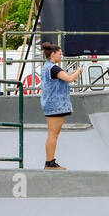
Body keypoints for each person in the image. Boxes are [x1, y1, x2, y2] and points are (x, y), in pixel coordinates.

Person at [39, 41, 83, 170]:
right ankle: (49, 162)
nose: (61, 56)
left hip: (50, 103)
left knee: (54, 134)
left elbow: (64, 77)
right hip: (55, 105)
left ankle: (50, 161)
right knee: (53, 134)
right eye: (59, 53)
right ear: (52, 54)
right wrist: (79, 71)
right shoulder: (53, 68)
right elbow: (69, 79)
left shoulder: (46, 67)